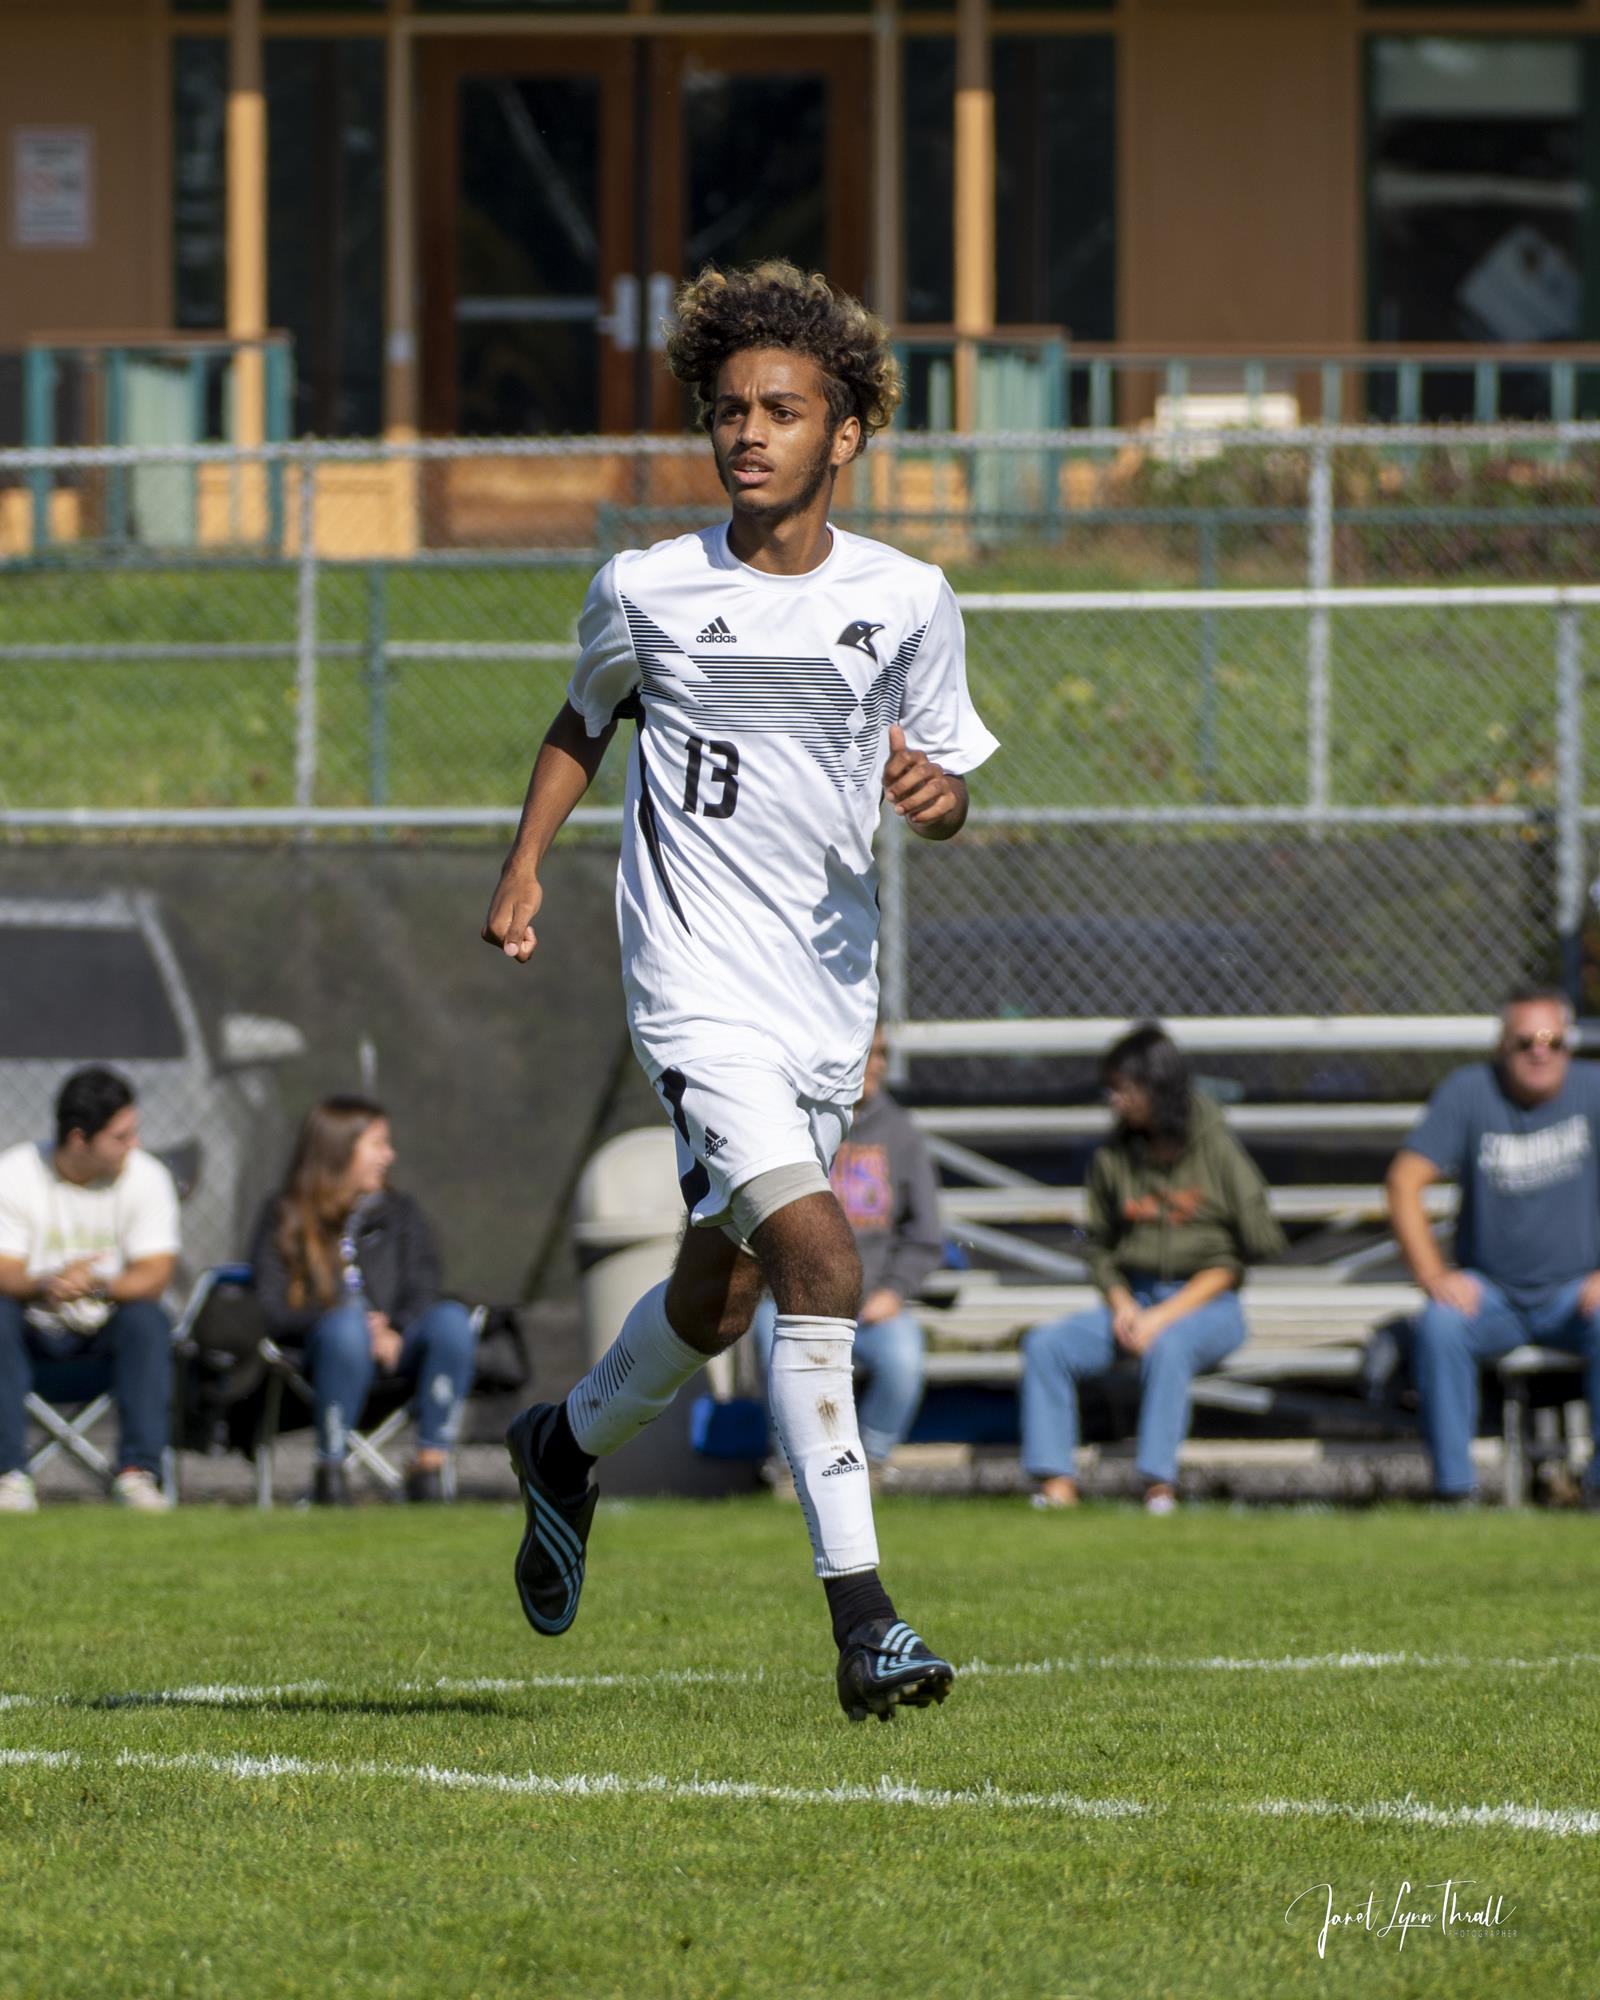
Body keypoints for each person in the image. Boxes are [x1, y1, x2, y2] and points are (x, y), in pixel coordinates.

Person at [483, 260, 997, 1722]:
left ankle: (564, 1446)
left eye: (781, 410)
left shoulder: (906, 598)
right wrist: (524, 864)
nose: (749, 433)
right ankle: (866, 1622)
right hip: (694, 989)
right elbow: (583, 718)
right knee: (822, 1261)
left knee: (720, 1294)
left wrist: (935, 799)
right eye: (728, 410)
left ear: (847, 432)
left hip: (825, 999)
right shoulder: (646, 587)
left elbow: (947, 783)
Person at [1020, 1024, 1285, 1514]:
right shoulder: (1112, 1158)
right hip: (1136, 1298)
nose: (1115, 1100)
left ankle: (1157, 1486)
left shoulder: (1216, 1149)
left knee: (1170, 1347)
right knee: (1045, 1346)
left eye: (1125, 1089)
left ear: (1158, 1087)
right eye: (1111, 1088)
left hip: (1210, 1304)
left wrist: (1162, 1318)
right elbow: (1098, 1248)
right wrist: (1122, 1303)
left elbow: (1242, 1254)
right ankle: (1056, 1483)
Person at [1387, 984, 1600, 1504]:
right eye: (1524, 1042)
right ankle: (1454, 1492)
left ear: (1569, 1045)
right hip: (1492, 1294)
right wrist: (1433, 1275)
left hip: (1576, 1294)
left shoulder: (1594, 1089)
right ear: (1502, 1046)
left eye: (1552, 1041)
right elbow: (1403, 1181)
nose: (1539, 1053)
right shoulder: (1469, 1091)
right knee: (1439, 1325)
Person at [249, 1096, 479, 1505]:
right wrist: (344, 1323)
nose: (389, 1156)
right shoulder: (283, 1213)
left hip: (397, 1351)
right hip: (319, 1357)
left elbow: (424, 1284)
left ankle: (429, 1469)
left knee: (451, 1321)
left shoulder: (401, 1213)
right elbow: (270, 1309)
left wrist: (396, 1328)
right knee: (347, 1329)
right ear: (340, 1150)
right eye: (378, 1144)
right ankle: (331, 1470)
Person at [750, 1023, 942, 1471]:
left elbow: (925, 1235)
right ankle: (792, 1466)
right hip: (795, 1302)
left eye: (883, 1054)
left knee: (904, 1359)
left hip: (872, 1307)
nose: (876, 1065)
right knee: (768, 1339)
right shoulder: (791, 1121)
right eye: (867, 1053)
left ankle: (868, 1461)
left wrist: (894, 1291)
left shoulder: (901, 1134)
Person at [0, 1065, 179, 1513]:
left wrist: (97, 1284)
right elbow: (4, 1269)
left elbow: (155, 1273)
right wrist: (47, 1284)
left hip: (104, 1343)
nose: (134, 1144)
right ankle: (8, 1476)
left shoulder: (147, 1176)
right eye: (121, 1136)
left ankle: (138, 1473)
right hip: (29, 1342)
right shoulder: (16, 1173)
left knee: (147, 1320)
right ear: (79, 1139)